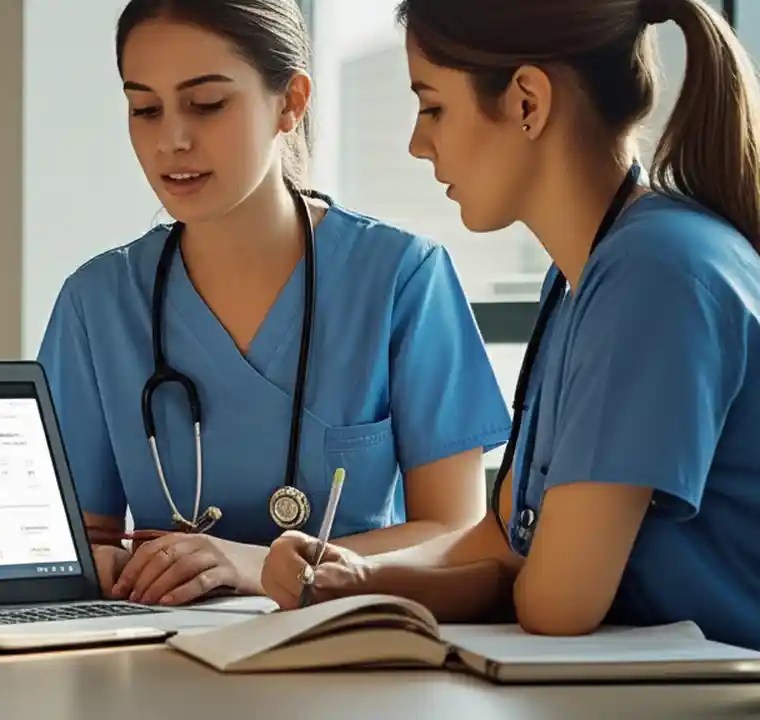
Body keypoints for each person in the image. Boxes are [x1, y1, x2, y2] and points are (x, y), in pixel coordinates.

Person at [262, 0, 760, 650]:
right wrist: (355, 577)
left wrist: (391, 588)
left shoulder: (656, 272)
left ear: (527, 101)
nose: (417, 142)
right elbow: (506, 540)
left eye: (433, 106)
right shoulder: (586, 273)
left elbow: (558, 601)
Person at [37, 0, 511, 609]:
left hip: (350, 649)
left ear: (290, 102)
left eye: (207, 104)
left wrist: (255, 565)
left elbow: (456, 532)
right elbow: (86, 542)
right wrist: (114, 564)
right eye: (145, 109)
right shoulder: (96, 303)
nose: (172, 140)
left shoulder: (399, 278)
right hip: (159, 661)